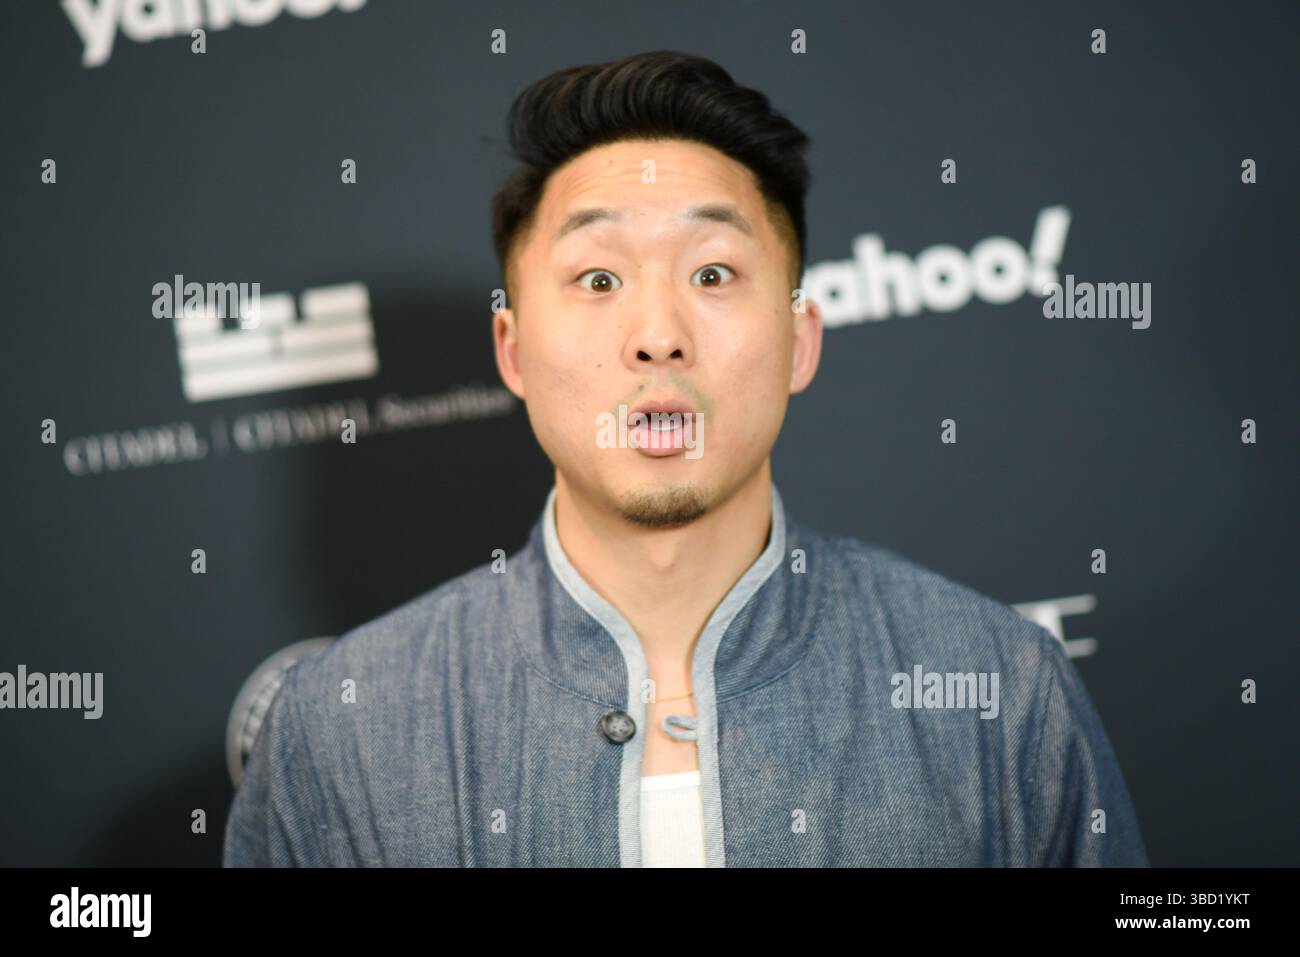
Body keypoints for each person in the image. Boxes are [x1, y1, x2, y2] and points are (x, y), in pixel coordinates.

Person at [223, 50, 1148, 867]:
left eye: (712, 274)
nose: (657, 336)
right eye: (598, 279)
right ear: (510, 351)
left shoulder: (998, 686)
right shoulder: (342, 728)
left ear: (799, 342)